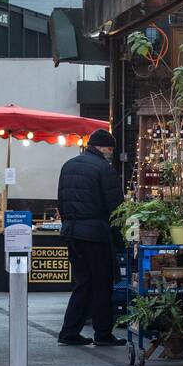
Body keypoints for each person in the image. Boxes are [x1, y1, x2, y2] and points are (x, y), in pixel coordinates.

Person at [56, 129, 123, 346]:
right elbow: (115, 208)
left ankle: (69, 331)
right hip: (96, 234)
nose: (111, 153)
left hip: (71, 233)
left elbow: (61, 201)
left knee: (83, 282)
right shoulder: (104, 168)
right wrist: (119, 238)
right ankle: (103, 333)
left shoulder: (69, 165)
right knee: (103, 283)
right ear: (103, 147)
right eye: (110, 149)